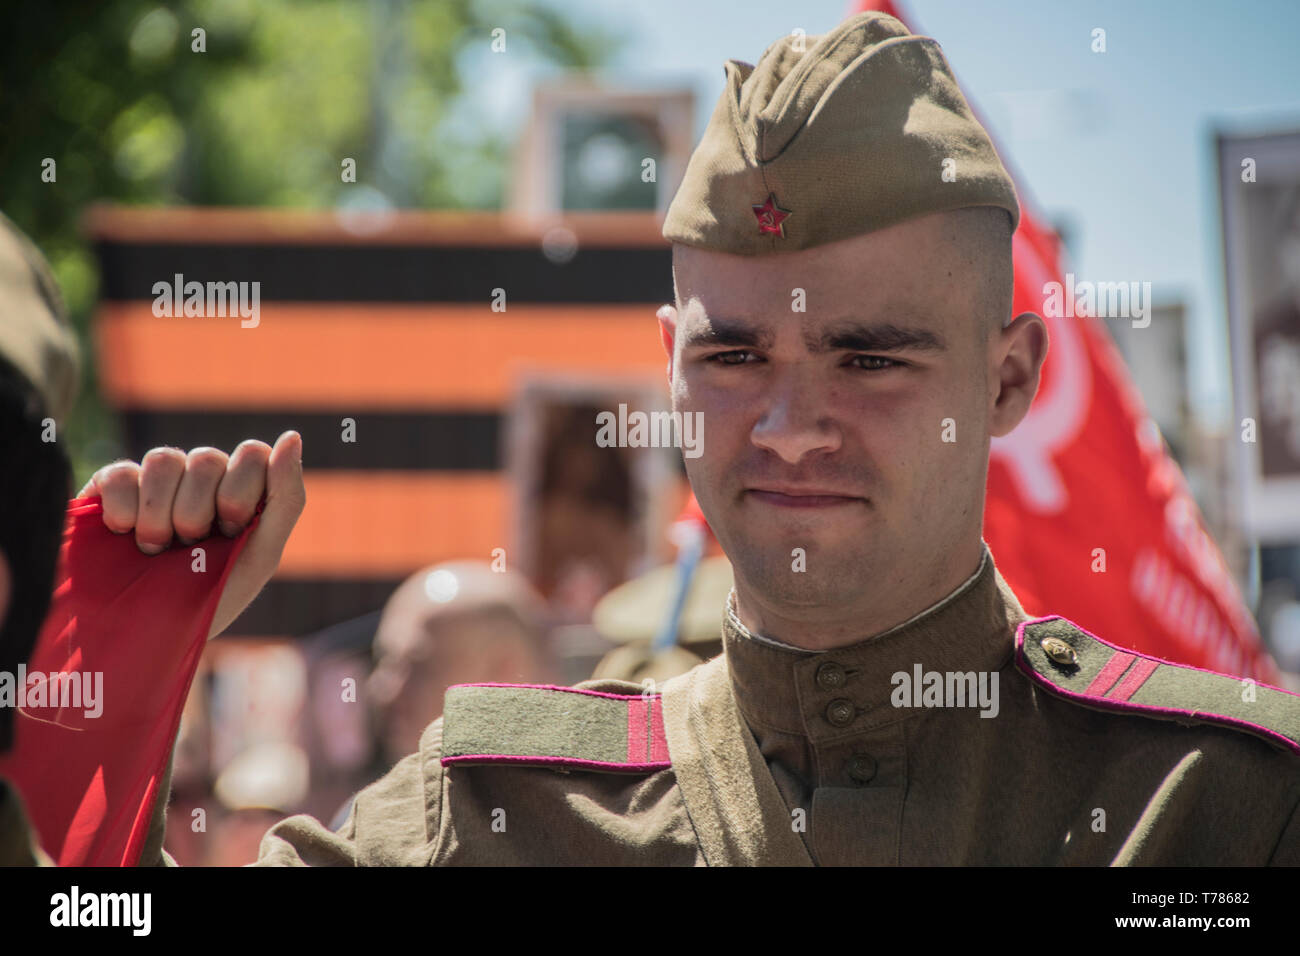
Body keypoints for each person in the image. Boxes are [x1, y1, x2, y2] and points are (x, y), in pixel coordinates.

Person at [28, 11, 1300, 865]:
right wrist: (107, 682)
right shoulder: (480, 816)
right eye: (732, 355)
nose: (791, 425)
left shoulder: (1216, 814)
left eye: (870, 356)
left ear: (1010, 376)